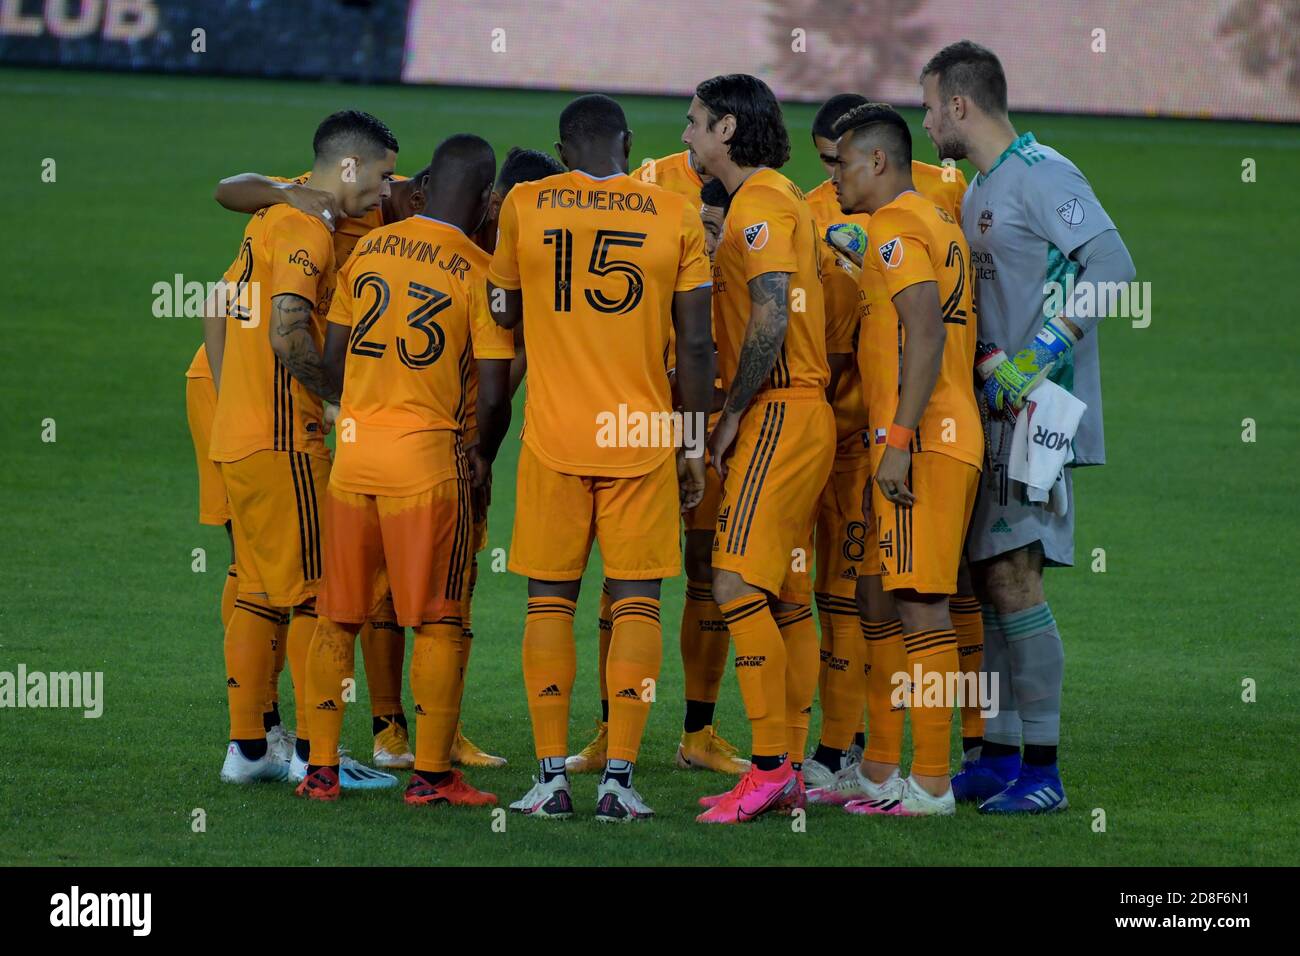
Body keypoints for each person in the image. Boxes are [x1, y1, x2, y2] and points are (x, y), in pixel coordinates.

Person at [920, 40, 1135, 813]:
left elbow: (1113, 267)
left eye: (927, 103)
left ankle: (1043, 772)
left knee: (1015, 576)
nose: (923, 119)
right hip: (991, 412)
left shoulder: (1045, 173)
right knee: (987, 580)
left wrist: (1038, 355)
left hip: (1040, 416)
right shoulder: (984, 184)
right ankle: (1000, 753)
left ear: (958, 104)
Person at [488, 94, 714, 821]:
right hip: (643, 439)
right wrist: (694, 443)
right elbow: (699, 347)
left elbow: (500, 310)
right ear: (626, 142)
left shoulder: (525, 203)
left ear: (561, 149)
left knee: (550, 601)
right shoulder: (675, 213)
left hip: (553, 438)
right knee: (638, 602)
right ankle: (619, 780)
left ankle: (551, 779)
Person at [296, 134, 513, 804]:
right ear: (483, 199)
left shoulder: (367, 250)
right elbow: (497, 394)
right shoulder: (480, 269)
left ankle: (322, 771)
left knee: (338, 615)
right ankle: (431, 776)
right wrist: (481, 455)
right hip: (425, 467)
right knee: (441, 619)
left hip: (353, 461)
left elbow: (330, 363)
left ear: (422, 186)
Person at [207, 110, 398, 788]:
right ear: (347, 167)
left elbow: (215, 304)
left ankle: (250, 750)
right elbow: (289, 333)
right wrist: (334, 400)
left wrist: (237, 403)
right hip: (286, 436)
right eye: (379, 176)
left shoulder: (276, 214)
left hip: (241, 433)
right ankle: (320, 760)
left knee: (258, 591)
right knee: (320, 595)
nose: (384, 190)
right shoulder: (306, 225)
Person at [683, 74, 836, 824]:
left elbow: (771, 314)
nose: (686, 137)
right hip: (798, 412)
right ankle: (792, 764)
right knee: (784, 596)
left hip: (779, 410)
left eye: (695, 123)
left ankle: (771, 767)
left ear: (728, 131)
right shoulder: (768, 202)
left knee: (735, 586)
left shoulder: (763, 203)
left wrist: (734, 411)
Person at [829, 102, 983, 816]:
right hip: (938, 434)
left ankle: (929, 784)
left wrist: (897, 439)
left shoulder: (894, 229)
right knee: (899, 600)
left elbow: (923, 332)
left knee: (923, 607)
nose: (836, 176)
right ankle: (892, 773)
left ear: (879, 162)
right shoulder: (933, 221)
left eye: (846, 163)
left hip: (926, 440)